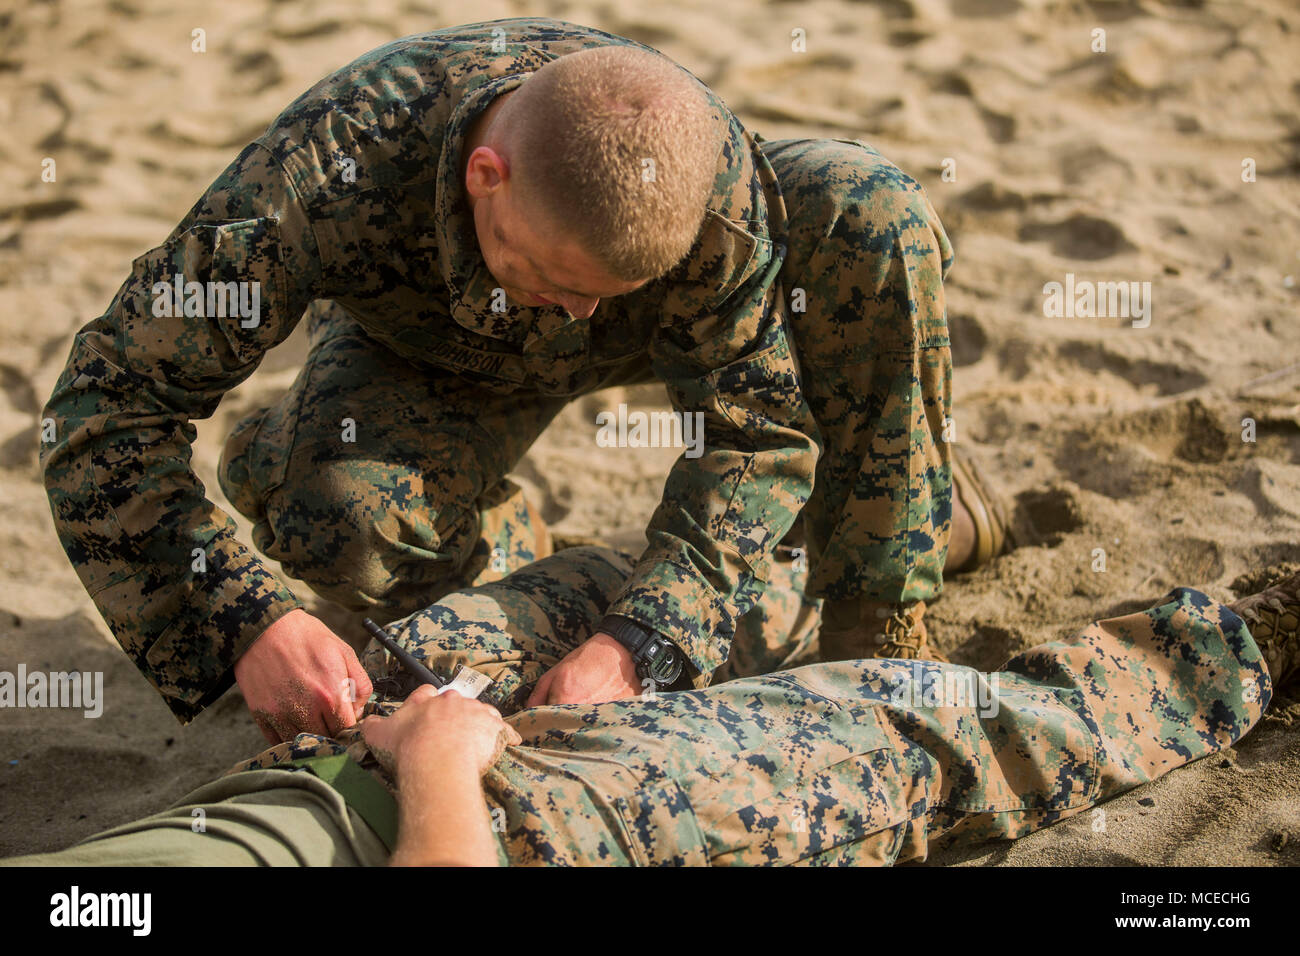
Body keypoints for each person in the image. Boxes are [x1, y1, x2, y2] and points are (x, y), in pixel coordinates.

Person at [39, 17, 1008, 744]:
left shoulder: (714, 204)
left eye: (602, 293)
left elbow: (751, 437)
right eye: (551, 281)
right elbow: (106, 410)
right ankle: (466, 520)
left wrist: (639, 640)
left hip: (674, 311)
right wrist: (247, 613)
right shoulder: (323, 172)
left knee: (870, 204)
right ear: (484, 175)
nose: (575, 316)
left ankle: (886, 580)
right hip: (438, 343)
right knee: (340, 523)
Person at [4, 543, 1291, 867]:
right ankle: (1247, 638)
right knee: (922, 726)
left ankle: (912, 518)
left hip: (297, 770)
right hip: (510, 830)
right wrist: (446, 764)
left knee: (598, 597)